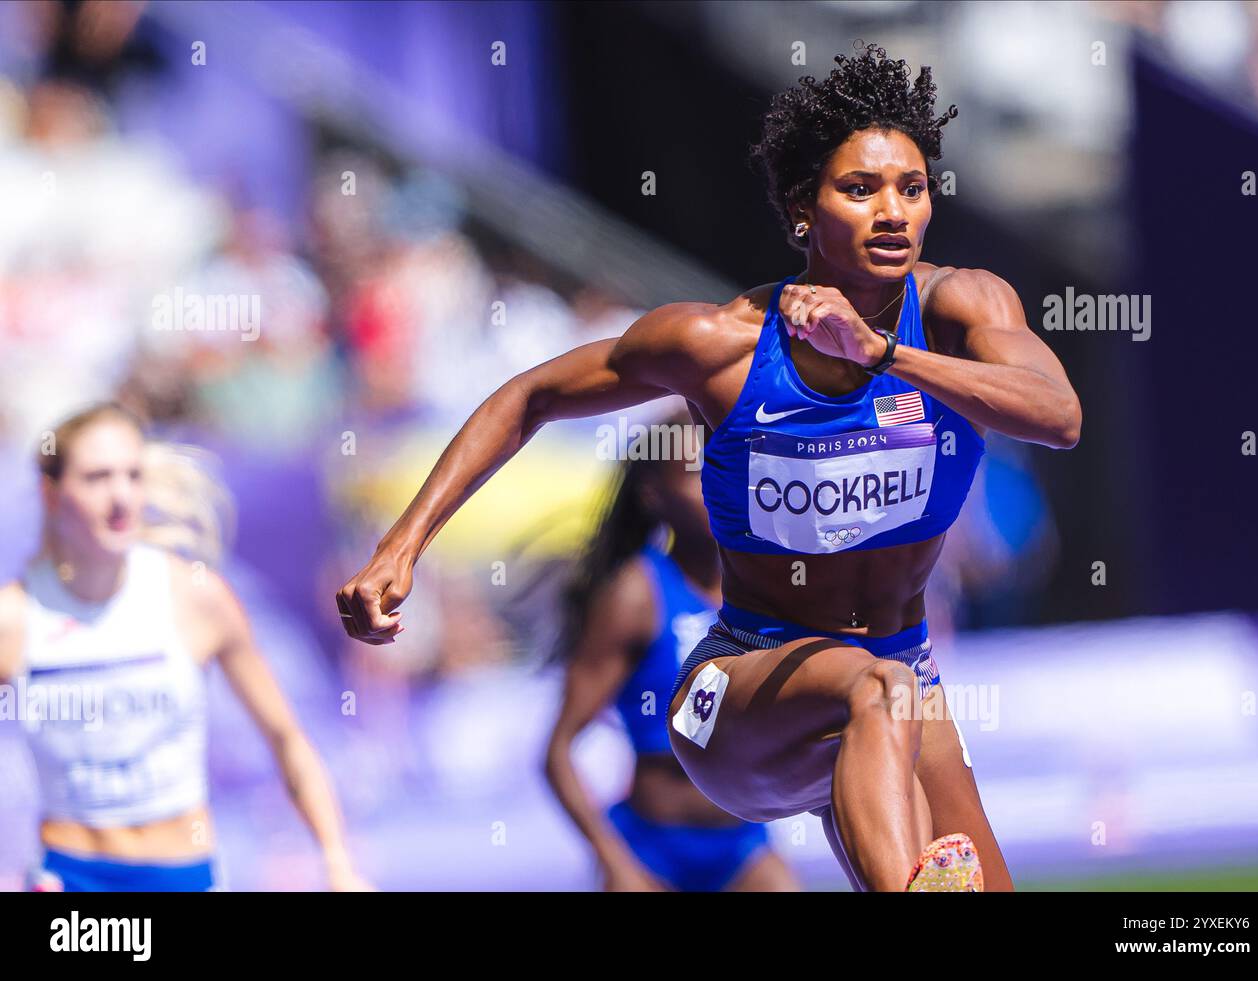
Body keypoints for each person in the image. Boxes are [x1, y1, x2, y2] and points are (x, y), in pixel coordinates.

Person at [336, 42, 1080, 892]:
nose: (893, 212)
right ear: (803, 208)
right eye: (859, 188)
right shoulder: (720, 346)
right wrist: (402, 546)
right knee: (871, 689)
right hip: (738, 690)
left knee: (899, 716)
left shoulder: (962, 310)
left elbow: (1057, 417)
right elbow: (529, 396)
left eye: (912, 188)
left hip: (902, 677)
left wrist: (882, 357)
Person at [0, 403, 369, 891]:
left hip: (184, 875)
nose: (120, 497)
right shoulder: (16, 617)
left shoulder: (196, 597)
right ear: (52, 494)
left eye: (132, 476)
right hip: (72, 879)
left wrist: (337, 862)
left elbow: (287, 739)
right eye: (96, 478)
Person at [543, 413, 798, 891]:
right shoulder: (636, 595)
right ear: (653, 496)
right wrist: (614, 862)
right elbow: (557, 753)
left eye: (721, 465)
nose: (715, 483)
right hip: (649, 853)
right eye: (694, 471)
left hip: (743, 847)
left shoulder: (766, 588)